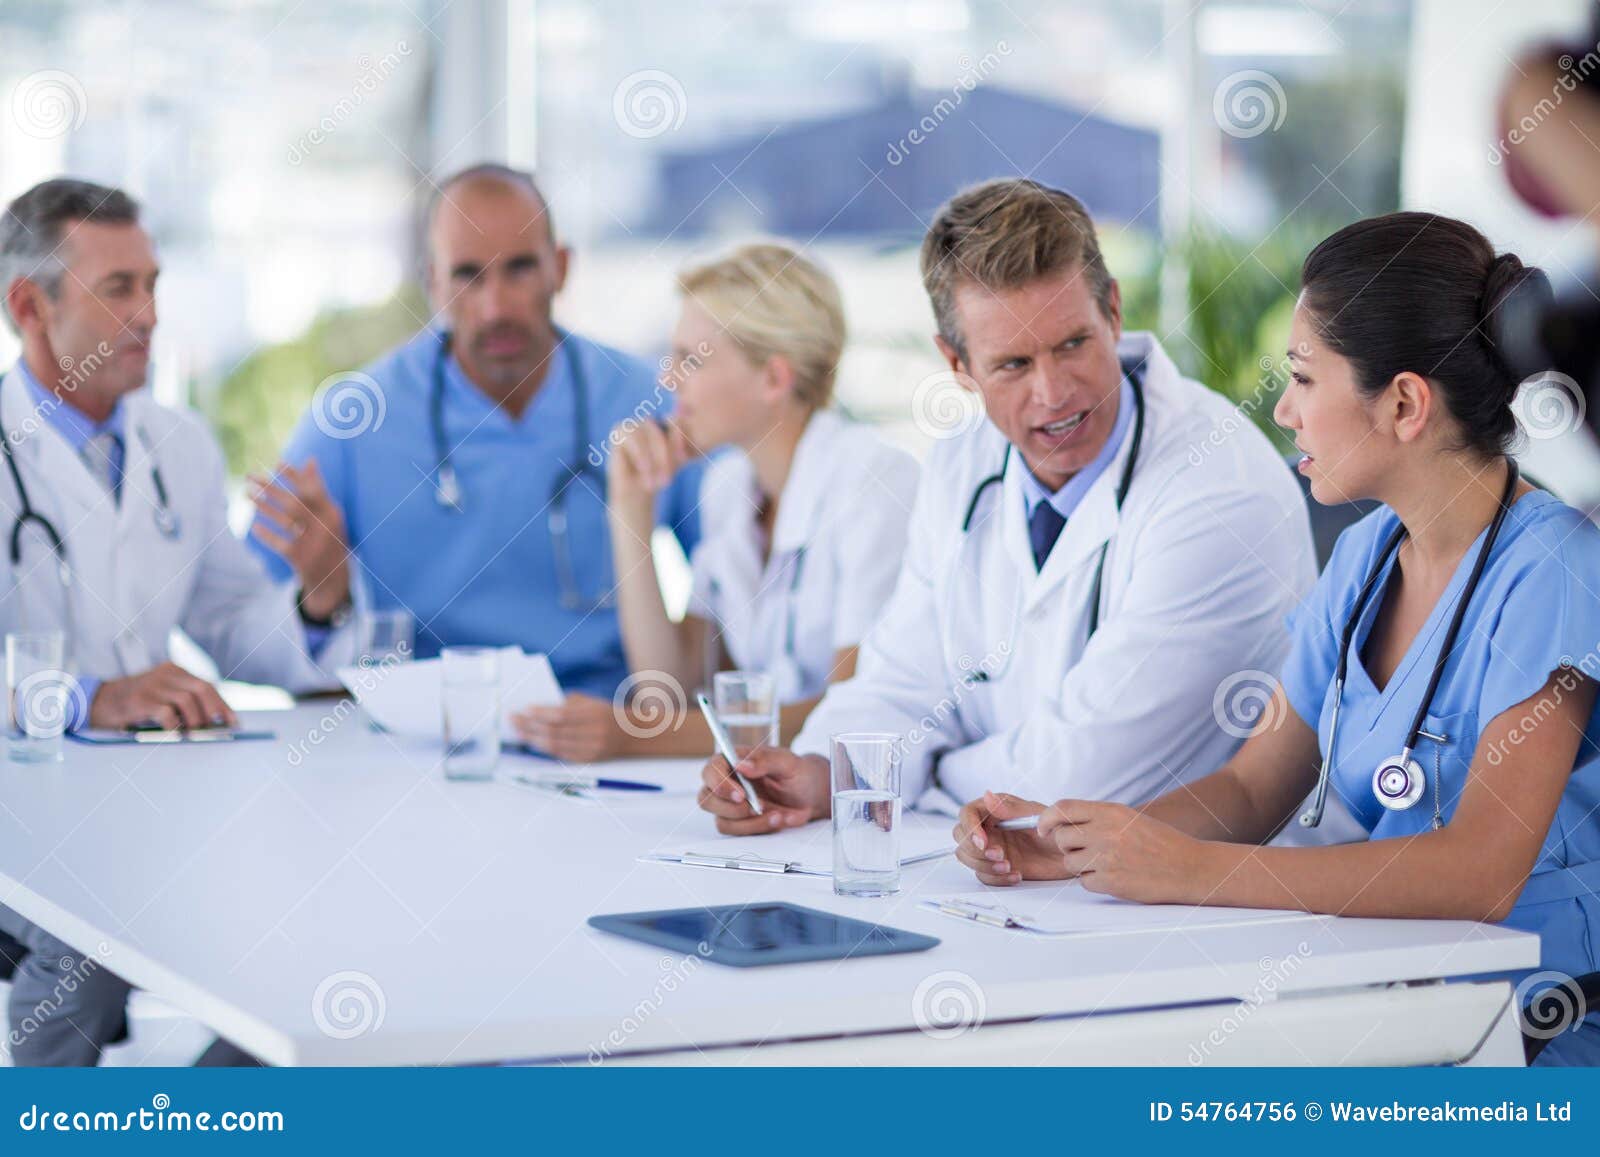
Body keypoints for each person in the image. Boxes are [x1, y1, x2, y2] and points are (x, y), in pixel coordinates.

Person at [954, 213, 1600, 1067]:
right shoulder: (1368, 557)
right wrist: (1085, 844)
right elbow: (1256, 786)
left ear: (1404, 403)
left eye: (1303, 377)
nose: (1286, 409)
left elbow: (1482, 870)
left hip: (1534, 1033)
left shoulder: (1555, 569)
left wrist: (1192, 872)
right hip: (1404, 1007)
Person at [699, 178, 1327, 837]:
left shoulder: (1217, 485)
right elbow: (902, 678)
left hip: (1203, 904)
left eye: (1073, 344)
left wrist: (919, 772)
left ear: (1113, 311)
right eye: (1012, 364)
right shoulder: (961, 464)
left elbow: (1087, 775)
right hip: (1023, 876)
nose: (1053, 393)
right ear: (956, 364)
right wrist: (826, 770)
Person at [0, 178, 353, 1065]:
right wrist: (89, 698)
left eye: (153, 284)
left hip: (144, 799)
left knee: (317, 894)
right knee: (87, 928)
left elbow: (233, 622)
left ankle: (206, 1121)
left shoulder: (178, 445)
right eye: (118, 288)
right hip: (21, 804)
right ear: (27, 305)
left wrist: (319, 589)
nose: (149, 313)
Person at [250, 163, 704, 697]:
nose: (496, 308)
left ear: (561, 268)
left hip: (603, 729)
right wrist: (323, 595)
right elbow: (248, 631)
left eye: (520, 270)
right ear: (432, 282)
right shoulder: (352, 420)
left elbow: (736, 578)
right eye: (469, 275)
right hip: (421, 732)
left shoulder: (651, 400)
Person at [512, 242, 919, 759]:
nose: (667, 379)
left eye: (690, 360)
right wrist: (631, 510)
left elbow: (854, 716)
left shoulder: (875, 483)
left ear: (773, 378)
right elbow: (675, 687)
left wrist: (633, 736)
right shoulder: (728, 485)